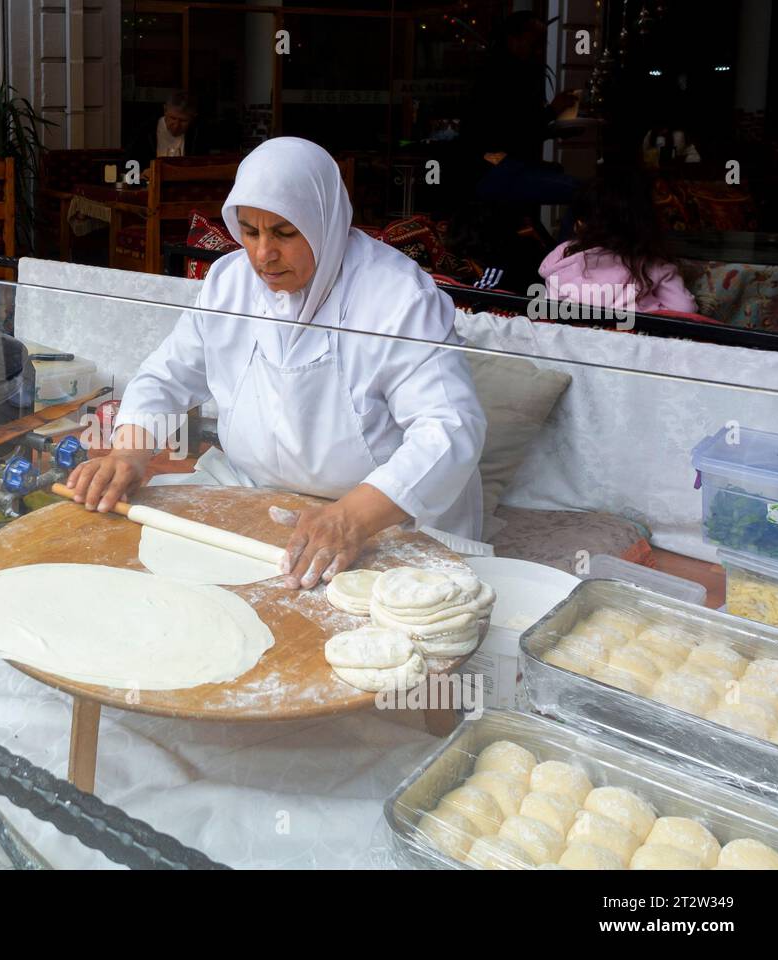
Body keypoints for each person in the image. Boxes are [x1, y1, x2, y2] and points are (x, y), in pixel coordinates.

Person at [65, 138, 487, 591]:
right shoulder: (230, 283)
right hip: (252, 491)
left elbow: (450, 428)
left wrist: (353, 516)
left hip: (381, 516)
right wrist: (130, 452)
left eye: (284, 233)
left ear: (325, 223)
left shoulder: (398, 297)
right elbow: (167, 377)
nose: (263, 254)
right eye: (249, 232)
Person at [460, 12, 579, 211]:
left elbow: (517, 131)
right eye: (535, 43)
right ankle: (570, 244)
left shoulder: (510, 72)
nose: (540, 50)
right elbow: (510, 132)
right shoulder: (500, 76)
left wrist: (555, 130)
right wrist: (551, 112)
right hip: (493, 170)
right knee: (582, 194)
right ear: (514, 40)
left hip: (498, 168)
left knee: (576, 188)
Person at [539, 169, 696, 314]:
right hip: (627, 338)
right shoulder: (651, 264)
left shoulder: (561, 256)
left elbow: (552, 308)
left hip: (575, 337)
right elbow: (684, 309)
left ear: (580, 224)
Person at [125, 91, 201, 172]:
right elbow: (128, 167)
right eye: (172, 118)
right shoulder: (145, 131)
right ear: (165, 110)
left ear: (193, 118)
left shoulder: (198, 135)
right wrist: (140, 176)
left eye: (183, 121)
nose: (176, 125)